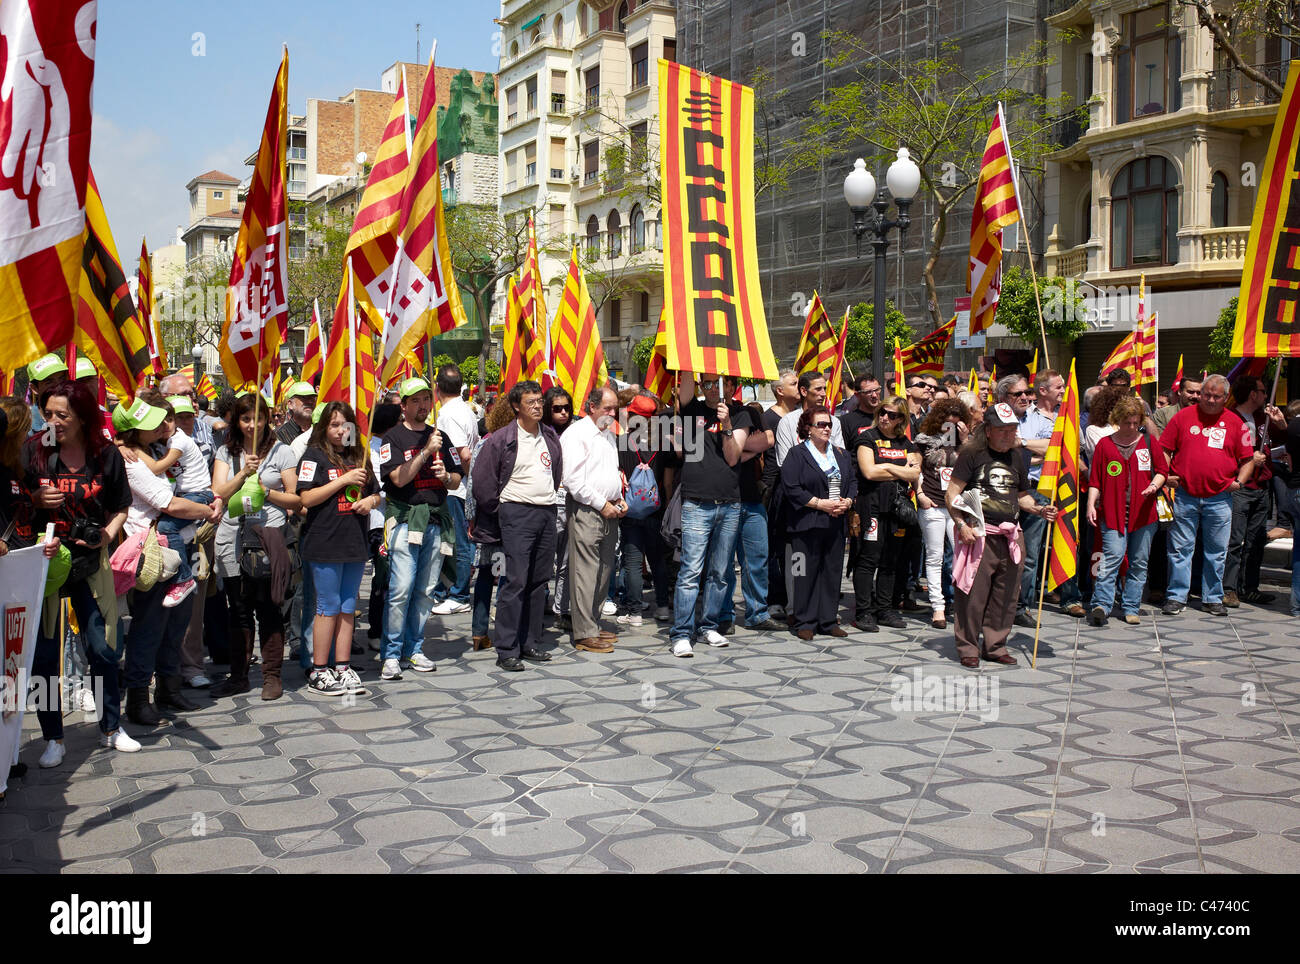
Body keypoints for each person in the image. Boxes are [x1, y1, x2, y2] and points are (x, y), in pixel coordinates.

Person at [24, 381, 134, 763]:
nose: (52, 421)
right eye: (47, 413)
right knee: (44, 657)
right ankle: (53, 738)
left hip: (90, 565)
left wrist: (106, 533)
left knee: (103, 647)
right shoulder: (33, 451)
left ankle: (110, 727)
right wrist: (34, 499)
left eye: (61, 415)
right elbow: (14, 504)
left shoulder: (105, 455)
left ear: (83, 417)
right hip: (45, 566)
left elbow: (122, 504)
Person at [116, 397, 222, 724]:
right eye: (153, 422)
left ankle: (168, 688)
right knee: (149, 627)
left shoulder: (157, 451)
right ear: (135, 430)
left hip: (180, 547)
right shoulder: (132, 461)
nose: (162, 425)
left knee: (177, 623)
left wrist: (209, 502)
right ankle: (138, 698)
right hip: (155, 554)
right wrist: (209, 510)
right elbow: (169, 504)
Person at [947, 402, 1058, 667]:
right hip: (979, 533)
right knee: (973, 594)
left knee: (1006, 594)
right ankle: (969, 648)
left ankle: (995, 646)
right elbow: (952, 494)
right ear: (988, 430)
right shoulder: (971, 454)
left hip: (1010, 534)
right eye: (1002, 430)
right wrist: (962, 526)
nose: (1009, 435)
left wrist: (1041, 509)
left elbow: (1021, 497)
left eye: (1012, 430)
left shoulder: (1018, 457)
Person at [211, 392, 301, 699]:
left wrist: (266, 491)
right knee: (237, 609)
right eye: (246, 419)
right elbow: (218, 492)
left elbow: (295, 498)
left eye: (258, 418)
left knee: (268, 607)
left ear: (268, 418)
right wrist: (242, 474)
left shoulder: (282, 451)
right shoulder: (226, 451)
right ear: (237, 421)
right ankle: (238, 674)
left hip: (268, 536)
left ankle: (272, 675)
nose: (252, 425)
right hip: (233, 537)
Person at [473, 380, 564, 672]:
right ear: (516, 407)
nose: (538, 406)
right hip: (515, 513)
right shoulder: (501, 439)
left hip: (546, 512)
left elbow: (556, 471)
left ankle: (530, 642)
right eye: (531, 402)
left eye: (540, 401)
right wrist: (502, 511)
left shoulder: (549, 436)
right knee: (515, 581)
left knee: (539, 583)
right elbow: (483, 482)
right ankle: (507, 648)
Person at [377, 378, 463, 679]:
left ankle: (413, 648)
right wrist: (425, 453)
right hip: (404, 521)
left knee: (426, 591)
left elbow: (457, 481)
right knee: (401, 589)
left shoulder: (442, 436)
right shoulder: (393, 439)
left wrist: (445, 478)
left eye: (427, 399)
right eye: (415, 400)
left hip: (435, 522)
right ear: (403, 405)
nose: (423, 405)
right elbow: (398, 479)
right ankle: (390, 653)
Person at [296, 401, 381, 696]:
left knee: (348, 607)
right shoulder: (313, 456)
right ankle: (319, 670)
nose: (339, 430)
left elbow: (376, 493)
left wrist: (370, 501)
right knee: (326, 606)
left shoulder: (360, 455)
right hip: (324, 542)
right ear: (323, 427)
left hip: (354, 541)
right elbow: (306, 499)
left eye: (344, 424)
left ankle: (342, 666)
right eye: (333, 424)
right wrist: (343, 480)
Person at [668, 372, 752, 657]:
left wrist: (726, 423)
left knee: (721, 572)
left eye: (717, 383)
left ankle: (709, 625)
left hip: (728, 503)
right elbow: (686, 386)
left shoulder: (741, 415)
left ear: (730, 386)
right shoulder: (693, 411)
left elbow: (732, 456)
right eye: (706, 383)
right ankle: (681, 632)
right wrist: (692, 349)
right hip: (696, 503)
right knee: (691, 570)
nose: (710, 388)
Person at [1158, 374, 1255, 616]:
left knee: (1217, 550)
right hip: (1184, 495)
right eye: (1206, 395)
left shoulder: (1235, 423)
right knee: (1180, 549)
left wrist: (1240, 482)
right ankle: (1176, 597)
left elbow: (1248, 460)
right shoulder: (1182, 417)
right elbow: (1165, 449)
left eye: (1216, 396)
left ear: (1226, 397)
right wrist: (1165, 474)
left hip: (1220, 498)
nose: (1210, 400)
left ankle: (1213, 597)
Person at [1086, 395, 1169, 626]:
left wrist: (1154, 485)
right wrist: (1091, 504)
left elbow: (1162, 470)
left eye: (1135, 422)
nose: (1131, 427)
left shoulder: (1150, 442)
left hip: (1144, 514)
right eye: (1126, 423)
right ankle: (1101, 604)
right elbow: (1096, 480)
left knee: (1139, 561)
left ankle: (1131, 606)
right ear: (1117, 420)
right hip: (1112, 512)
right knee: (1112, 557)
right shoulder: (1105, 444)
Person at [781, 406, 856, 638]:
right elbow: (791, 488)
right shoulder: (797, 454)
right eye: (820, 424)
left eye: (829, 424)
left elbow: (852, 482)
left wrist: (848, 502)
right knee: (803, 572)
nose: (826, 428)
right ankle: (804, 621)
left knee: (832, 571)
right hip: (805, 524)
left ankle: (828, 620)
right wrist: (819, 503)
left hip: (834, 524)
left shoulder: (841, 454)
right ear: (808, 429)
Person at [560, 386, 625, 654]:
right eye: (607, 409)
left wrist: (620, 498)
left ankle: (593, 623)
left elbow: (611, 472)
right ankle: (584, 632)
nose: (611, 414)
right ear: (592, 407)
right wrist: (602, 504)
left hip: (610, 508)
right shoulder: (576, 434)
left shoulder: (608, 435)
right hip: (588, 509)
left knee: (604, 570)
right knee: (585, 571)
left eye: (614, 409)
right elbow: (573, 479)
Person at [852, 394, 920, 632]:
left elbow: (914, 474)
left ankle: (885, 609)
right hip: (871, 507)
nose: (884, 418)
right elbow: (869, 472)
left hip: (897, 510)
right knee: (869, 558)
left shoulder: (907, 443)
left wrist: (888, 467)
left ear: (901, 418)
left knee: (891, 560)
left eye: (891, 415)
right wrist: (899, 468)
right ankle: (864, 612)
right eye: (882, 412)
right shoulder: (867, 438)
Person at [719, 376, 780, 633]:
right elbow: (714, 451)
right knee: (722, 565)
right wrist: (744, 449)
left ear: (733, 387)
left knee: (756, 560)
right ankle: (724, 615)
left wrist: (739, 449)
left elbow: (767, 440)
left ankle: (757, 613)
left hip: (752, 499)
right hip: (722, 499)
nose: (721, 389)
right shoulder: (708, 415)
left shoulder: (748, 412)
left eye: (725, 384)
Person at [1224, 375, 1286, 607]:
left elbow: (1285, 438)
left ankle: (1250, 587)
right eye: (1262, 391)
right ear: (1252, 394)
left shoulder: (1263, 417)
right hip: (1241, 488)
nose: (1265, 395)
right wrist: (1249, 458)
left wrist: (1280, 423)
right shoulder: (1230, 418)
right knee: (1235, 541)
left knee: (1256, 540)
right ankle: (1228, 588)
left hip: (1262, 487)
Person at [617, 393, 678, 627]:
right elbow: (669, 482)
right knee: (657, 561)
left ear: (632, 416)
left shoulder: (621, 442)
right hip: (655, 511)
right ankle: (662, 606)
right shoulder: (663, 445)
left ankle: (634, 613)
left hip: (629, 510)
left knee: (632, 563)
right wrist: (667, 506)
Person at [916, 398, 971, 628]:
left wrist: (966, 438)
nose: (951, 428)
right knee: (935, 556)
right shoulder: (924, 440)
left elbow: (974, 467)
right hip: (933, 505)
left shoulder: (967, 443)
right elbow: (915, 468)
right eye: (947, 422)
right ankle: (938, 607)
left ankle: (962, 605)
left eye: (956, 424)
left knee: (961, 557)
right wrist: (920, 495)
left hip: (957, 507)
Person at [469, 397, 518, 651]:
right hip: (506, 517)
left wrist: (472, 516)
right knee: (504, 573)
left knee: (487, 573)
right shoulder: (512, 444)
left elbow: (471, 485)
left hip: (486, 519)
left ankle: (479, 632)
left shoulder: (484, 442)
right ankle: (501, 627)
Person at [432, 364, 478, 616]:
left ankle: (460, 594)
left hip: (456, 488)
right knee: (455, 541)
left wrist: (469, 483)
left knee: (459, 542)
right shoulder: (464, 409)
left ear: (437, 387)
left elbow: (464, 453)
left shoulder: (449, 414)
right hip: (459, 486)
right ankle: (446, 589)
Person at [761, 370, 800, 619]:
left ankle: (796, 595)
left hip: (797, 489)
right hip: (774, 487)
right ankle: (775, 596)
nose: (799, 387)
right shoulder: (768, 418)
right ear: (779, 390)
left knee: (793, 547)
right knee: (773, 546)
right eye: (794, 384)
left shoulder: (803, 417)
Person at [365, 402, 402, 651]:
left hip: (393, 520)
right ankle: (376, 630)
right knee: (383, 579)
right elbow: (383, 487)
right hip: (379, 523)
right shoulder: (372, 451)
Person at [543, 385, 575, 625]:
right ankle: (538, 603)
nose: (563, 412)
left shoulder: (577, 432)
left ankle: (562, 609)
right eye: (557, 409)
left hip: (570, 502)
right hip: (546, 504)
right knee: (543, 561)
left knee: (565, 561)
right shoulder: (540, 433)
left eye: (567, 408)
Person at [25, 354, 68, 435]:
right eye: (49, 382)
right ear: (34, 388)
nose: (58, 386)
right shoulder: (25, 427)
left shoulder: (80, 418)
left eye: (61, 379)